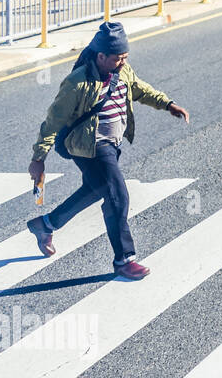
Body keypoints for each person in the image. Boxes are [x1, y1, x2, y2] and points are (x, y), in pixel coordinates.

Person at [27, 22, 190, 279]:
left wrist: (167, 104)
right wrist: (38, 158)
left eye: (125, 57)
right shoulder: (76, 83)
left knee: (95, 189)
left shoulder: (121, 72)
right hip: (89, 147)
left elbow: (139, 88)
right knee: (117, 196)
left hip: (112, 144)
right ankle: (124, 259)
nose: (123, 63)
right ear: (101, 56)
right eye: (117, 58)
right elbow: (53, 122)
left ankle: (45, 224)